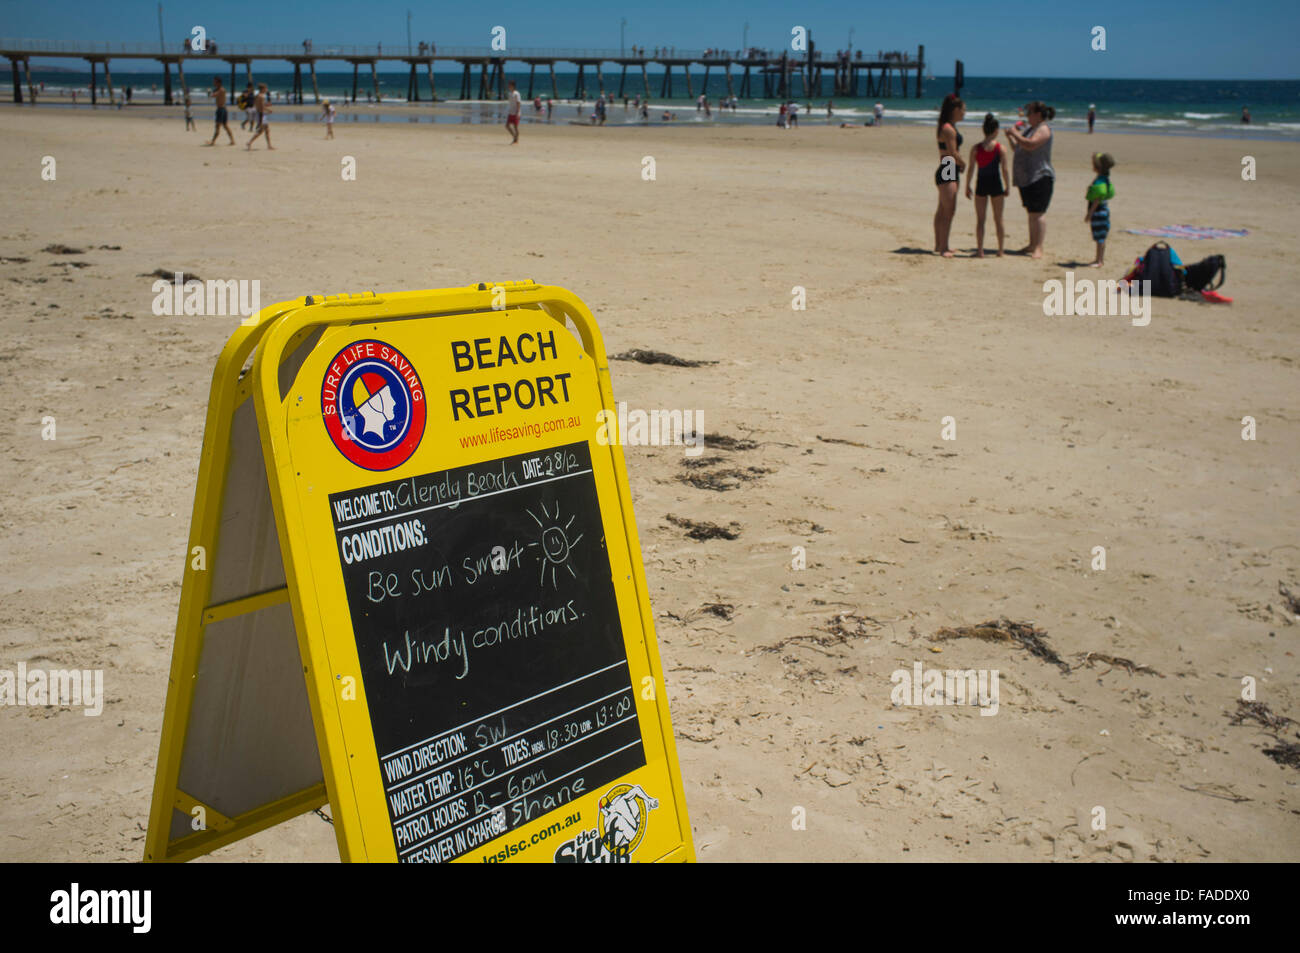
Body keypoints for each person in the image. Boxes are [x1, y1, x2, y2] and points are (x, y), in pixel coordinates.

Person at [1005, 101, 1055, 258]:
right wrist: (1011, 138)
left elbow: (1030, 145)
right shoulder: (1030, 129)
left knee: (1038, 213)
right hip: (1026, 177)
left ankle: (1038, 247)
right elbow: (1019, 147)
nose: (1027, 116)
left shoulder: (1044, 129)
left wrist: (1014, 133)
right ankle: (1032, 244)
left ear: (1038, 115)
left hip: (1040, 175)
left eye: (1030, 113)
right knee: (1031, 212)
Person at [965, 112, 1009, 257]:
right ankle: (1001, 250)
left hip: (981, 183)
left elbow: (971, 168)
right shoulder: (1000, 148)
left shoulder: (976, 148)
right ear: (996, 130)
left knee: (981, 220)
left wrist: (967, 185)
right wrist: (1007, 186)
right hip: (996, 184)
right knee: (999, 218)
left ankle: (980, 250)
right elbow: (1004, 169)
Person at [933, 93, 965, 258]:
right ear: (955, 110)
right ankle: (943, 246)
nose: (964, 113)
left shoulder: (946, 126)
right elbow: (953, 153)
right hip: (948, 167)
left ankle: (940, 243)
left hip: (947, 167)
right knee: (948, 210)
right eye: (963, 109)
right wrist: (964, 163)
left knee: (942, 209)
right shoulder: (948, 129)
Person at [1085, 152, 1116, 267]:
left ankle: (1099, 261)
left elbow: (1097, 200)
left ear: (1097, 168)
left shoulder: (1100, 182)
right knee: (1101, 237)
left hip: (1098, 212)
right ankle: (1099, 259)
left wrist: (1089, 214)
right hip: (1104, 211)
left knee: (1100, 238)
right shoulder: (1105, 179)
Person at [205, 77, 234, 145]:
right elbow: (213, 95)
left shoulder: (221, 90)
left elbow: (213, 95)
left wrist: (209, 92)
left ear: (218, 82)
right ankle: (232, 140)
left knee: (218, 126)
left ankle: (213, 141)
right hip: (222, 109)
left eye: (215, 82)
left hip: (221, 110)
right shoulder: (217, 89)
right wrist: (210, 92)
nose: (213, 83)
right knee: (225, 126)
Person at [246, 83, 274, 149]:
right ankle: (249, 142)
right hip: (261, 115)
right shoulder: (262, 96)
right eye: (266, 88)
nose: (266, 90)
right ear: (262, 89)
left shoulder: (257, 96)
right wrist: (267, 110)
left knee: (266, 130)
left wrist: (267, 107)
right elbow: (261, 107)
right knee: (261, 131)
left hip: (258, 114)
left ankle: (269, 145)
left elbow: (258, 105)